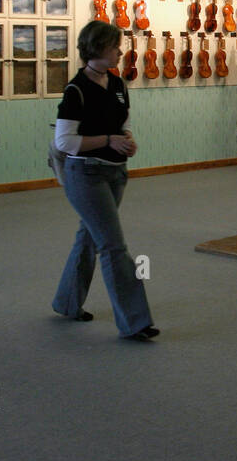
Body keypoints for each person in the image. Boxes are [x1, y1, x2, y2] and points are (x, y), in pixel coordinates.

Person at [50, 21, 158, 341]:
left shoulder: (118, 84)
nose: (120, 52)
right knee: (113, 245)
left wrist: (126, 139)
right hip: (85, 174)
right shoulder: (76, 91)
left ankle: (67, 302)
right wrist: (109, 140)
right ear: (97, 49)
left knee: (89, 238)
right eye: (115, 47)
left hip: (114, 173)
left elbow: (122, 123)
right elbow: (65, 142)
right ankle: (135, 322)